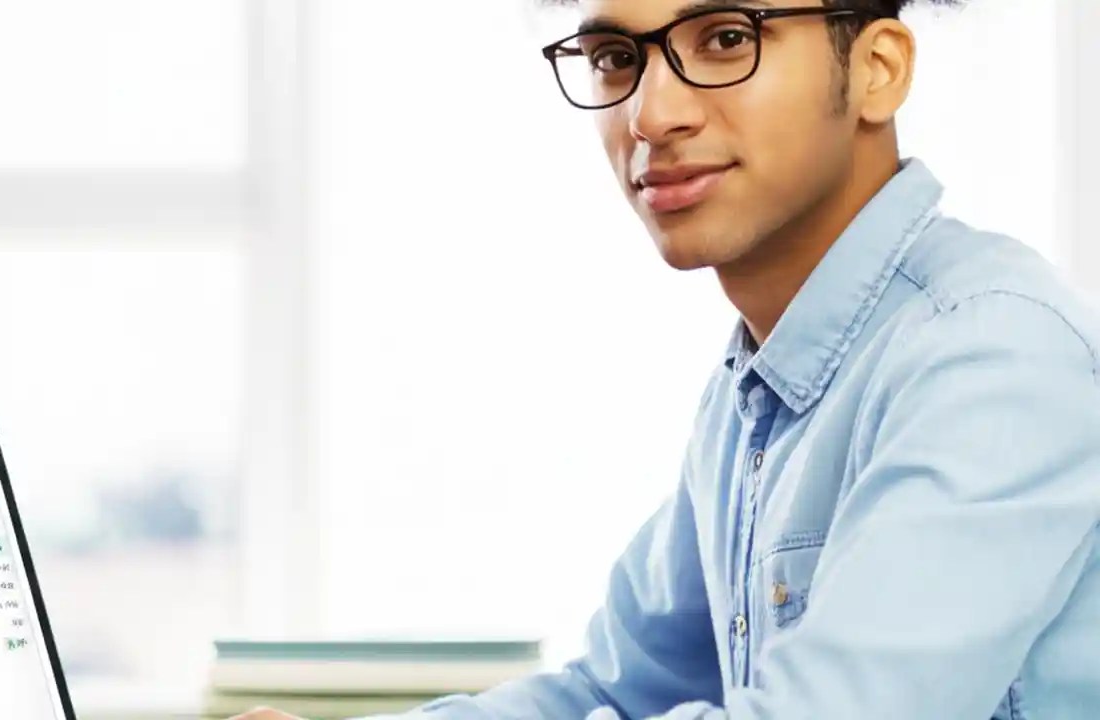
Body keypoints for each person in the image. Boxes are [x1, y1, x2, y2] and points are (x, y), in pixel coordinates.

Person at [235, 0, 1100, 717]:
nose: (650, 115)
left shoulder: (991, 351)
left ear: (877, 69)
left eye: (725, 38)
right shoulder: (756, 392)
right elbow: (610, 687)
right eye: (617, 57)